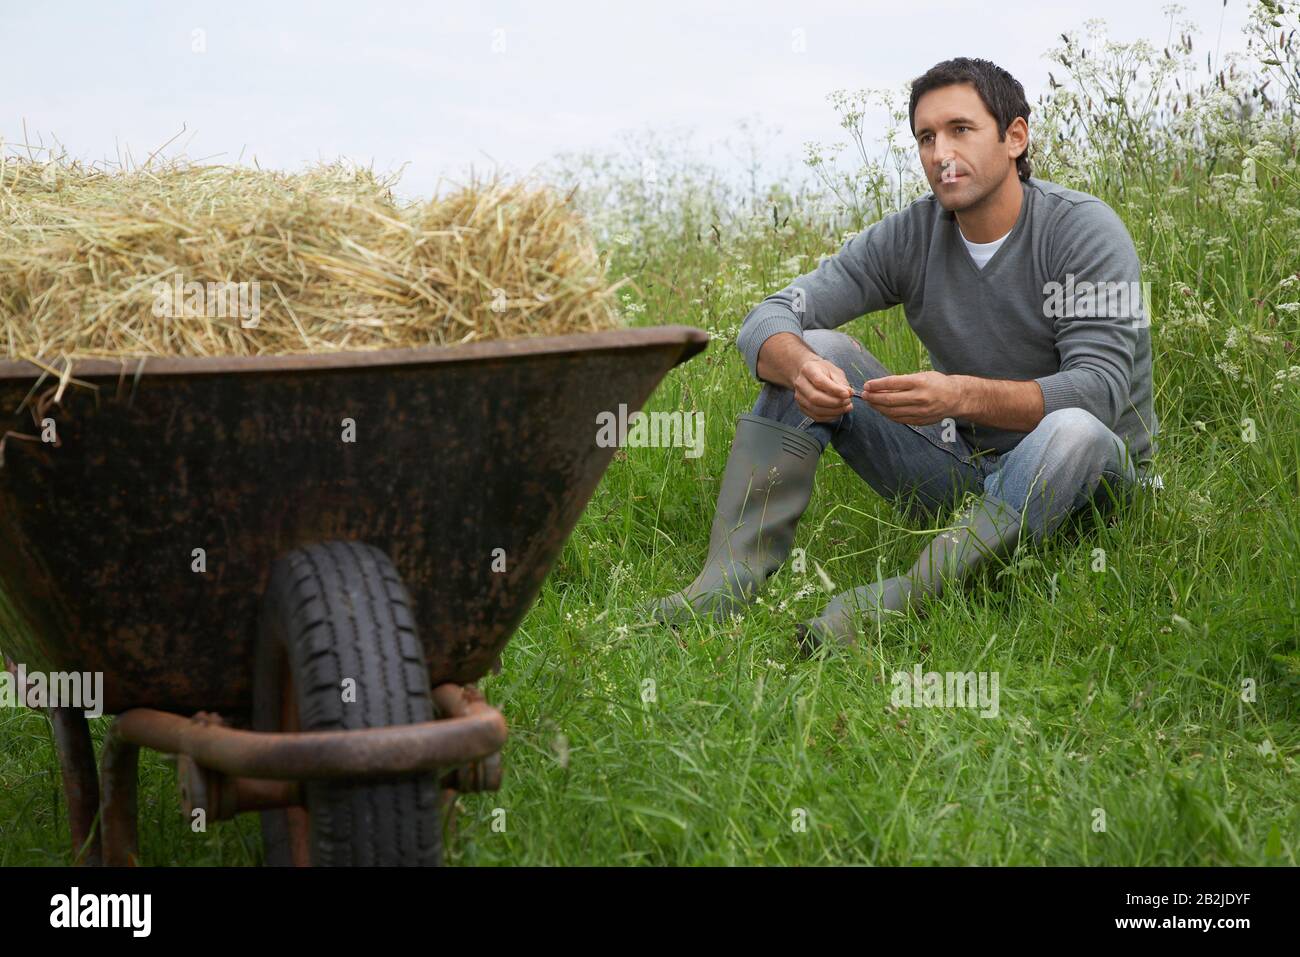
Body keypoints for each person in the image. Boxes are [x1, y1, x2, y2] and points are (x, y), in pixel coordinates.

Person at [648, 57, 1159, 652]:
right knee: (815, 346)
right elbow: (767, 319)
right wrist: (802, 368)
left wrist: (959, 394)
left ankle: (894, 604)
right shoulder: (913, 235)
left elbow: (1099, 392)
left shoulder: (1085, 231)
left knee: (1073, 428)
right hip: (967, 471)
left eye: (960, 130)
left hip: (1089, 490)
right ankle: (723, 585)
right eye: (925, 137)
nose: (940, 152)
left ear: (1015, 137)